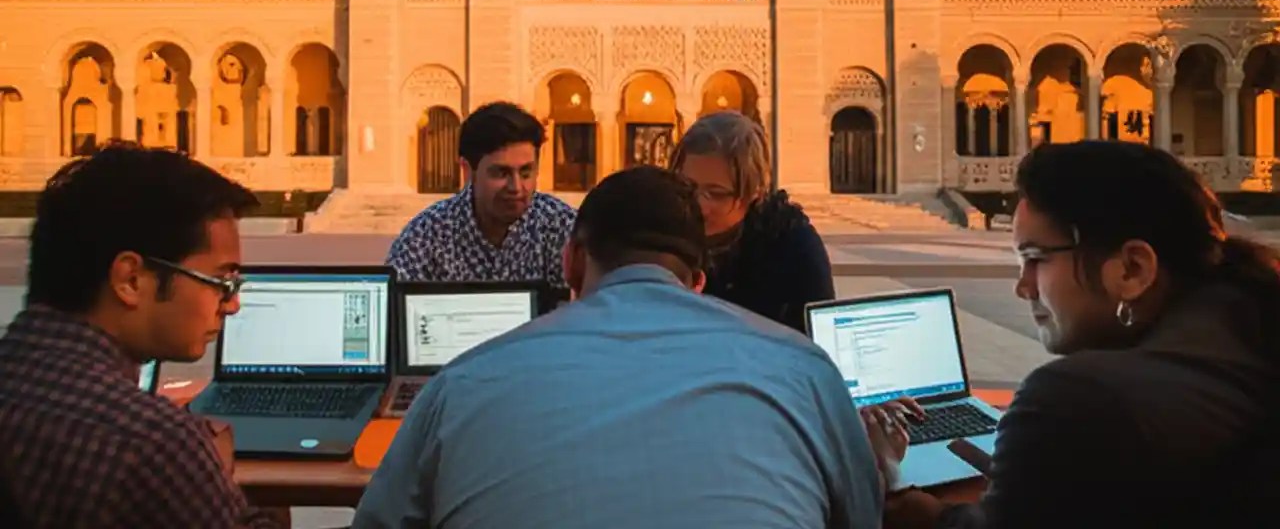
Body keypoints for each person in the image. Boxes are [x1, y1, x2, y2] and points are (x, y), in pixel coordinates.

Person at [352, 166, 883, 529]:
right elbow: (862, 516)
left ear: (572, 263)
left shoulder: (462, 382)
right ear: (698, 280)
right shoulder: (805, 371)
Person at [868, 141, 1279, 529]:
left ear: (1133, 269)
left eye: (1035, 259)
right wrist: (1037, 478)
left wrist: (901, 490)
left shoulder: (1076, 398)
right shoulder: (1250, 325)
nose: (1024, 287)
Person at [0, 142, 282, 528]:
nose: (231, 305)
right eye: (221, 282)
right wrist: (201, 472)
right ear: (130, 280)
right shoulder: (151, 442)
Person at [387, 101, 577, 304]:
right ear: (467, 170)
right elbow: (393, 314)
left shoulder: (561, 227)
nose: (516, 187)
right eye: (501, 173)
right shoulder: (426, 237)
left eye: (526, 172)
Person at [670, 110, 834, 332]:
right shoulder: (662, 234)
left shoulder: (793, 246)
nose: (698, 204)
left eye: (717, 194)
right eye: (688, 187)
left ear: (754, 192)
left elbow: (815, 346)